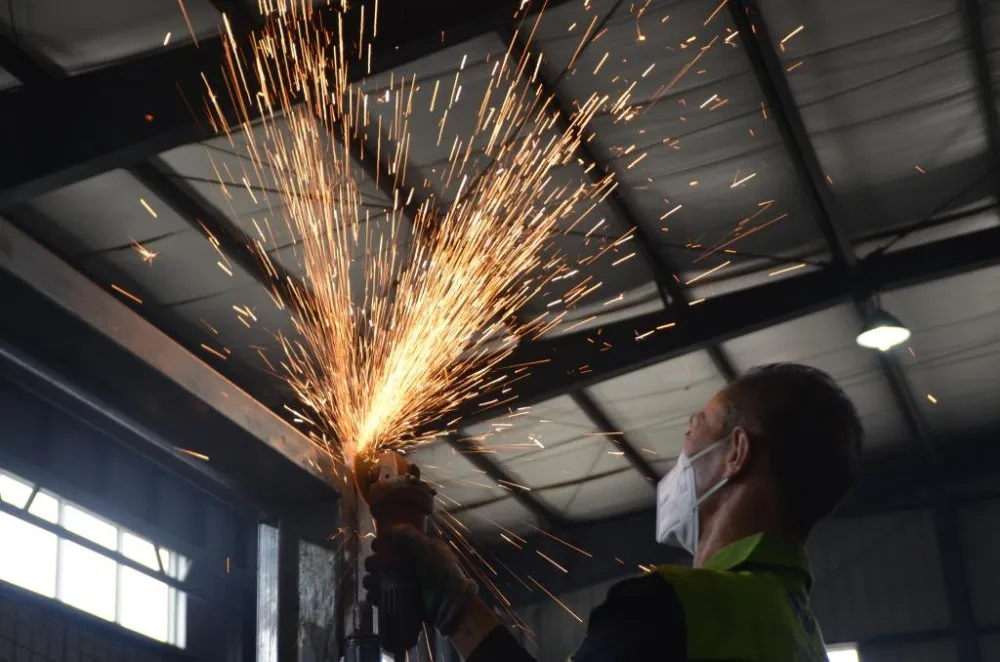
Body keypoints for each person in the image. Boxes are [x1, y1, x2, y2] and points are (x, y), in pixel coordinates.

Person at [365, 363, 864, 661]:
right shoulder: (800, 636)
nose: (683, 449)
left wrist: (455, 604)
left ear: (736, 453)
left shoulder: (676, 607)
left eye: (697, 426)